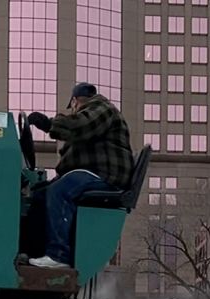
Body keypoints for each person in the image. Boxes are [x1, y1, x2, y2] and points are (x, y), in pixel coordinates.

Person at [26, 83, 134, 269]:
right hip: (95, 172)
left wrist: (49, 124)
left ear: (75, 101)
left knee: (60, 191)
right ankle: (33, 252)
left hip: (106, 175)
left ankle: (58, 255)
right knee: (41, 195)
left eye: (74, 106)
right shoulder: (95, 117)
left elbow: (81, 125)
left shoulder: (103, 108)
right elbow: (71, 162)